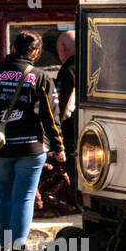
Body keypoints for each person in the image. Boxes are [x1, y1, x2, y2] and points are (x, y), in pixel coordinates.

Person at [0, 30, 65, 251]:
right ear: (36, 52)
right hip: (31, 147)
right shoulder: (40, 76)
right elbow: (50, 116)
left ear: (13, 48)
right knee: (24, 197)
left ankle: (3, 247)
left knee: (2, 197)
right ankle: (17, 248)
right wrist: (58, 146)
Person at [55, 30, 78, 191]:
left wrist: (55, 128)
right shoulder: (93, 62)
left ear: (63, 48)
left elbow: (65, 106)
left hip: (71, 131)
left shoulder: (68, 69)